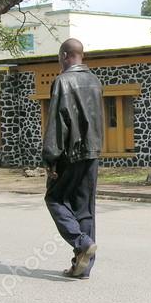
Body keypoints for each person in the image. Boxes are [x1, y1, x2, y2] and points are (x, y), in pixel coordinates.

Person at [42, 38, 103, 279]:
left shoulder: (63, 82)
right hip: (93, 153)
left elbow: (58, 123)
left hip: (70, 153)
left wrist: (50, 158)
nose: (59, 62)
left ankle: (81, 242)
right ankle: (83, 267)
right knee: (85, 209)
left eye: (59, 58)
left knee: (55, 199)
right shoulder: (95, 82)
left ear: (66, 55)